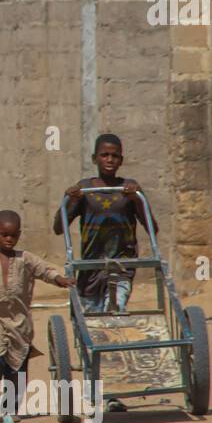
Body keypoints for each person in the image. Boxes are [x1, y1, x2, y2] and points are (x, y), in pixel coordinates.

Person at [0, 210, 74, 423]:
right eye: (4, 235)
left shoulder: (26, 259)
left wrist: (59, 279)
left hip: (20, 322)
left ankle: (12, 408)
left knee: (17, 367)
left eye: (13, 235)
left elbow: (45, 270)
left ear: (19, 234)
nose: (9, 239)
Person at [51, 133, 156, 314]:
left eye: (115, 156)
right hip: (90, 268)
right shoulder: (85, 188)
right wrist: (72, 200)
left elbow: (153, 228)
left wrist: (137, 200)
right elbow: (58, 228)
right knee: (89, 321)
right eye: (104, 155)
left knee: (115, 311)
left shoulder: (129, 189)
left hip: (122, 266)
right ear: (94, 158)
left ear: (121, 160)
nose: (110, 160)